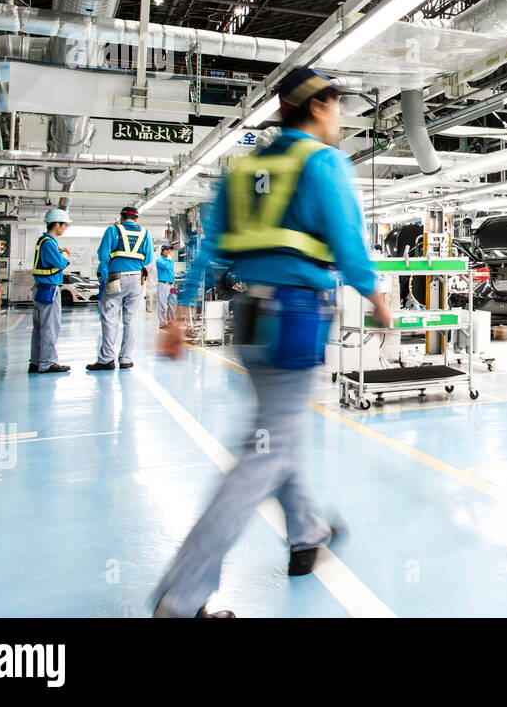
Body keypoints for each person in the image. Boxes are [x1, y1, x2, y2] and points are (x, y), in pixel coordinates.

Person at [153, 66, 390, 618]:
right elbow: (348, 239)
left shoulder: (242, 171)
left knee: (275, 433)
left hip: (250, 318)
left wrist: (180, 315)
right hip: (296, 317)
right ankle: (182, 595)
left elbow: (206, 250)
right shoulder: (323, 162)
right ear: (318, 107)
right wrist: (375, 295)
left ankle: (306, 531)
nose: (340, 118)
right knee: (261, 453)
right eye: (337, 106)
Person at [87, 205, 152, 371]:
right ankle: (126, 359)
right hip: (137, 279)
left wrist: (103, 275)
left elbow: (103, 255)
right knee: (130, 320)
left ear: (121, 217)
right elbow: (148, 259)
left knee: (110, 318)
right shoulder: (146, 233)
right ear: (136, 219)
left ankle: (107, 359)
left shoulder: (112, 230)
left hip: (116, 277)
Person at [29, 208, 72, 374]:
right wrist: (66, 257)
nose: (65, 228)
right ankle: (47, 362)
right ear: (57, 224)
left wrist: (61, 252)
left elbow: (52, 258)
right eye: (64, 225)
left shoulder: (45, 242)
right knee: (50, 326)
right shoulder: (48, 242)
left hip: (43, 287)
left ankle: (36, 361)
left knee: (40, 327)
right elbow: (60, 263)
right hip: (49, 288)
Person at [154, 244, 177, 328]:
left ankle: (171, 322)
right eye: (168, 250)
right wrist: (170, 259)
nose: (170, 252)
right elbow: (166, 267)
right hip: (163, 285)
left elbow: (171, 270)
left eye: (170, 250)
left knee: (173, 303)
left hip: (171, 285)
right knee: (163, 305)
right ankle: (163, 323)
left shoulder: (170, 260)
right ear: (163, 250)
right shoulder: (159, 260)